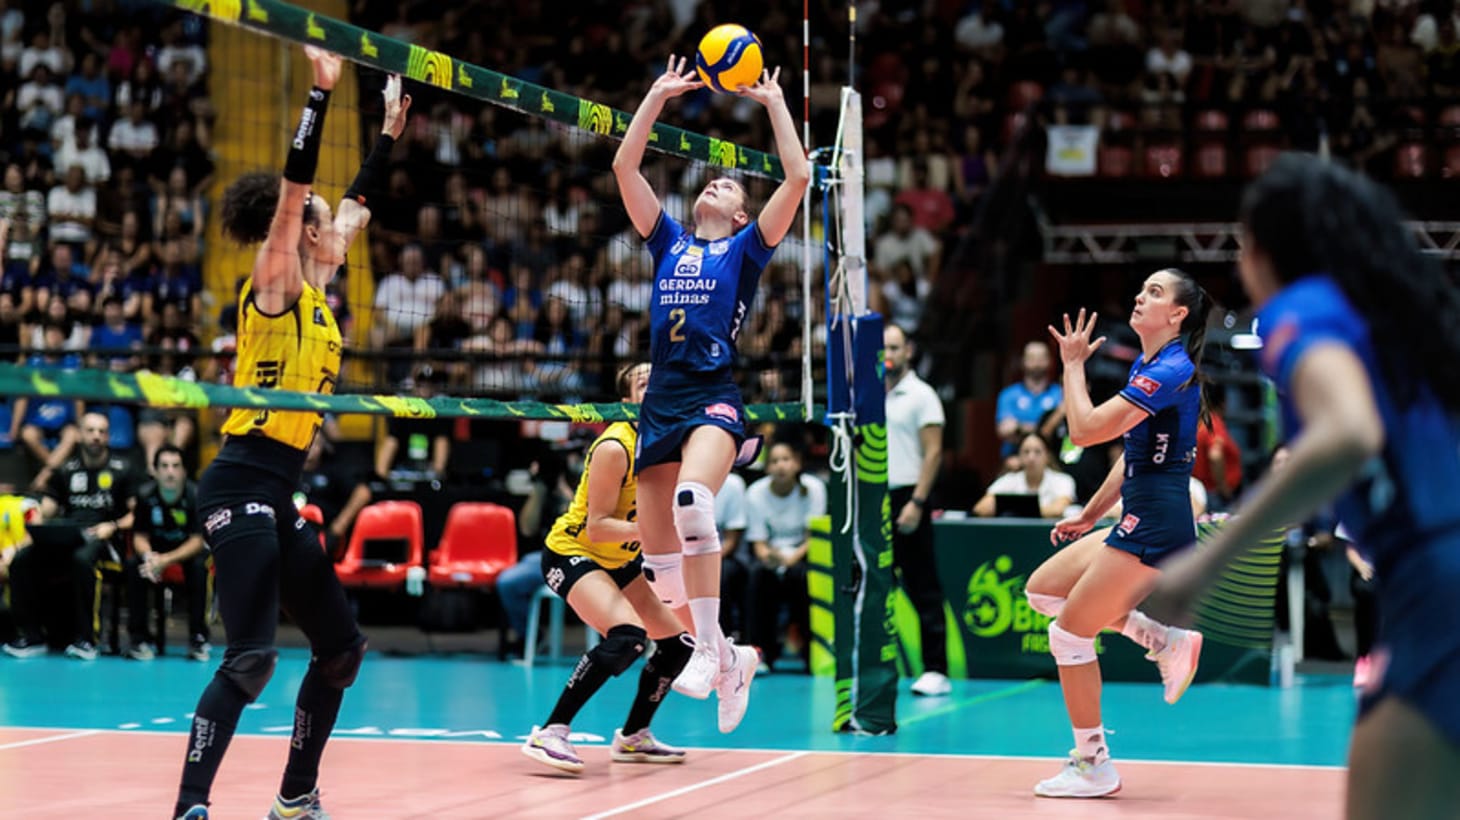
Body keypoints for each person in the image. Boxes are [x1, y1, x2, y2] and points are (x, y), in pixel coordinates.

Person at [1145, 154, 1460, 820]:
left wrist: (1205, 565)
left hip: (1441, 588)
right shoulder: (1383, 318)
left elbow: (1347, 431)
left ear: (1263, 248)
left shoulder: (1301, 312)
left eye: (1240, 240)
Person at [170, 49, 410, 820]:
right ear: (304, 234)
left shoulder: (322, 283)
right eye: (323, 222)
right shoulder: (274, 282)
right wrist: (319, 92)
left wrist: (387, 134)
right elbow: (298, 190)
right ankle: (189, 808)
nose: (340, 226)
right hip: (239, 478)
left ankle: (295, 796)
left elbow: (357, 203)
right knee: (250, 659)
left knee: (340, 650)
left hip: (280, 491)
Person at [611, 55, 810, 732]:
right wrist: (656, 96)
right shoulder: (666, 240)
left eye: (729, 186)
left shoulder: (748, 250)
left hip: (713, 395)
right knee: (661, 567)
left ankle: (703, 650)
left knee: (696, 502)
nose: (716, 185)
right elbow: (624, 169)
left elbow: (799, 176)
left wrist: (775, 103)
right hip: (659, 397)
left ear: (742, 211)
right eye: (713, 182)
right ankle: (732, 657)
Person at [1023, 268, 1212, 799]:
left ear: (1177, 315)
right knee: (1042, 593)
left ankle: (1093, 763)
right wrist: (1090, 513)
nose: (1140, 296)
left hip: (1156, 525)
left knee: (1068, 634)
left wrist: (1073, 366)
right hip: (1139, 514)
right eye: (1142, 288)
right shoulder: (1151, 365)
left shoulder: (1170, 369)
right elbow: (1129, 458)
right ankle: (1161, 639)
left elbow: (1083, 431)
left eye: (1155, 292)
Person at [522, 362, 696, 773]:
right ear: (626, 401)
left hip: (622, 559)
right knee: (627, 637)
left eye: (659, 376)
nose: (653, 382)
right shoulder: (615, 447)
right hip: (573, 552)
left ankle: (635, 737)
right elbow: (598, 528)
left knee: (677, 644)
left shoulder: (674, 443)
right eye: (642, 380)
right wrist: (654, 529)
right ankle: (551, 731)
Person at [3, 411, 137, 660]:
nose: (96, 436)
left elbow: (135, 514)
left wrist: (114, 525)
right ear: (80, 435)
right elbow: (48, 509)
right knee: (22, 559)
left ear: (108, 436)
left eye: (102, 431)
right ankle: (32, 637)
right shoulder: (67, 469)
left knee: (82, 560)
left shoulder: (123, 469)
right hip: (69, 535)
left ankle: (86, 639)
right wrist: (38, 525)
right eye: (91, 431)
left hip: (106, 537)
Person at [883, 323, 950, 696]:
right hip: (874, 498)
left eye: (894, 347)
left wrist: (917, 502)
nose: (888, 354)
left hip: (910, 498)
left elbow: (934, 452)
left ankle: (935, 670)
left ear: (908, 350)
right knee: (876, 587)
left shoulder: (922, 395)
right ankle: (880, 665)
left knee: (923, 585)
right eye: (883, 348)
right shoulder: (868, 395)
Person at [744, 440, 827, 672]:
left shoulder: (814, 489)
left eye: (786, 459)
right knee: (757, 576)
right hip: (772, 556)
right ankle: (761, 654)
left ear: (797, 463)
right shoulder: (755, 493)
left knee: (801, 578)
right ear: (767, 466)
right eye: (774, 461)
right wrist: (772, 557)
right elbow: (759, 545)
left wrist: (792, 559)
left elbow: (814, 537)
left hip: (802, 556)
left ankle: (810, 654)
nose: (781, 466)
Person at [125, 444, 208, 662]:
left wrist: (166, 560)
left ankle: (198, 639)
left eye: (175, 466)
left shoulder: (195, 495)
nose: (170, 472)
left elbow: (197, 541)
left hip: (185, 553)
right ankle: (139, 639)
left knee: (200, 568)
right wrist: (149, 557)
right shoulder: (144, 496)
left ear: (183, 471)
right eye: (164, 466)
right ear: (155, 471)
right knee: (135, 567)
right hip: (155, 552)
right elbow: (140, 536)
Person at [974, 432, 1077, 518]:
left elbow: (1058, 510)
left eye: (1037, 452)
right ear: (1019, 456)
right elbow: (980, 508)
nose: (1031, 458)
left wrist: (1013, 511)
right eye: (1026, 452)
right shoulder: (1008, 480)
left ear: (1047, 456)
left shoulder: (1063, 481)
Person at [996, 341, 1064, 469]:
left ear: (1049, 361)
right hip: (1014, 461)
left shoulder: (1060, 393)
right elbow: (1005, 430)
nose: (1036, 363)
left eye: (1041, 358)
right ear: (1023, 361)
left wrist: (1019, 428)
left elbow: (1065, 433)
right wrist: (1046, 428)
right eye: (1031, 358)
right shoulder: (1008, 395)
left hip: (1053, 463)